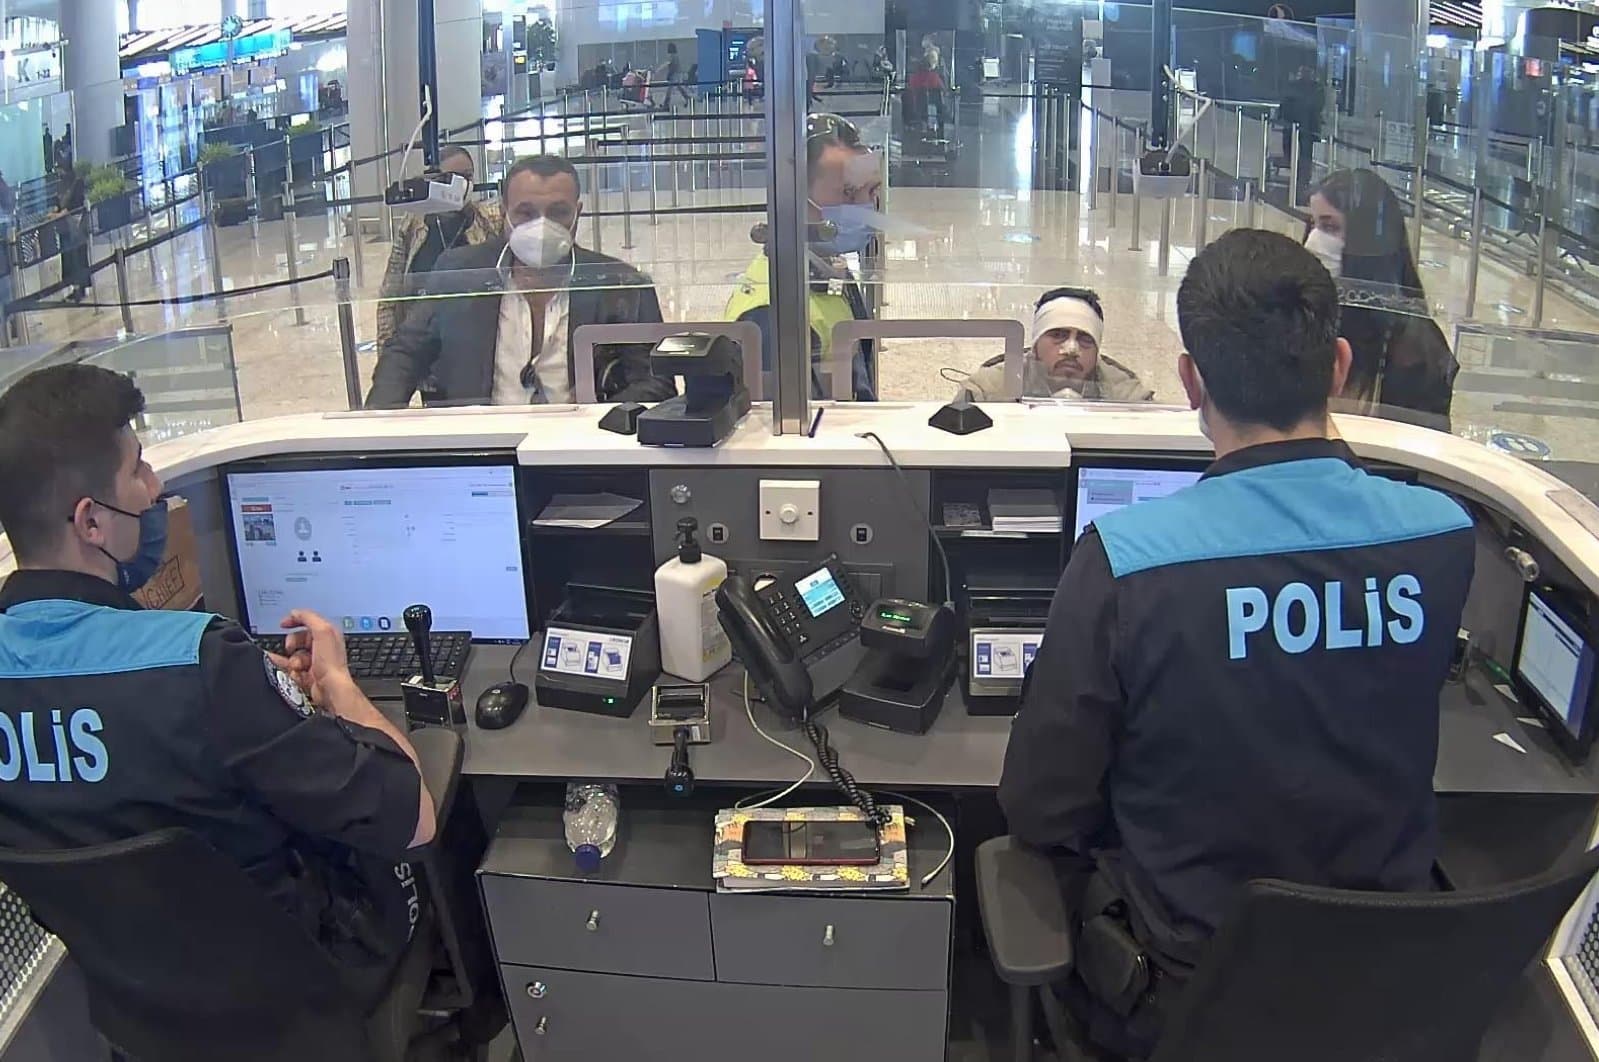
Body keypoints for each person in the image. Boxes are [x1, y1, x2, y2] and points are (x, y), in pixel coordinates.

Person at [998, 229, 1475, 1056]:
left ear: (1190, 380)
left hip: (1185, 992)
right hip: (1385, 979)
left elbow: (1040, 806)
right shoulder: (1443, 533)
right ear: (1336, 366)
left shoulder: (1126, 561)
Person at [0, 364, 436, 1004]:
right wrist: (338, 685)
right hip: (294, 991)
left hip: (136, 1003)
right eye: (138, 470)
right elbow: (414, 819)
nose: (156, 487)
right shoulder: (201, 662)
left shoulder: (197, 668)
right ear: (91, 522)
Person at [367, 154, 674, 408]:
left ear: (577, 213)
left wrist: (597, 419)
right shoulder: (460, 273)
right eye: (526, 213)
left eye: (558, 212)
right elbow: (405, 353)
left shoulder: (621, 285)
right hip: (483, 445)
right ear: (504, 213)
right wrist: (379, 430)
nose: (541, 225)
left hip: (578, 449)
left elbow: (656, 384)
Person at [725, 114, 881, 401]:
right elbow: (778, 423)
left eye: (871, 191)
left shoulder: (824, 271)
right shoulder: (775, 312)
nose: (865, 205)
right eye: (848, 192)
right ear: (794, 198)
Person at [1306, 168, 1458, 427]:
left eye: (1329, 226)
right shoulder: (1309, 312)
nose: (1313, 240)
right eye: (1313, 224)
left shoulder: (1414, 344)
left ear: (1367, 240)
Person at [375, 146, 502, 348]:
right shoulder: (413, 225)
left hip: (476, 338)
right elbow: (390, 293)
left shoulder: (490, 221)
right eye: (452, 178)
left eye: (467, 176)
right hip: (424, 334)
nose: (462, 185)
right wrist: (387, 350)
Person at [956, 287, 1153, 403]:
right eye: (1058, 335)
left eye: (1085, 339)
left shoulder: (1129, 398)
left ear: (1097, 352)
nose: (1071, 349)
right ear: (1035, 345)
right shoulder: (986, 391)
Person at [54, 167, 90, 303]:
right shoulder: (61, 184)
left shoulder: (77, 183)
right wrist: (56, 211)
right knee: (69, 258)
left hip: (75, 227)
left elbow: (74, 205)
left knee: (77, 257)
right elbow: (58, 204)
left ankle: (80, 289)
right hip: (65, 228)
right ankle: (74, 289)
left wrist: (58, 214)